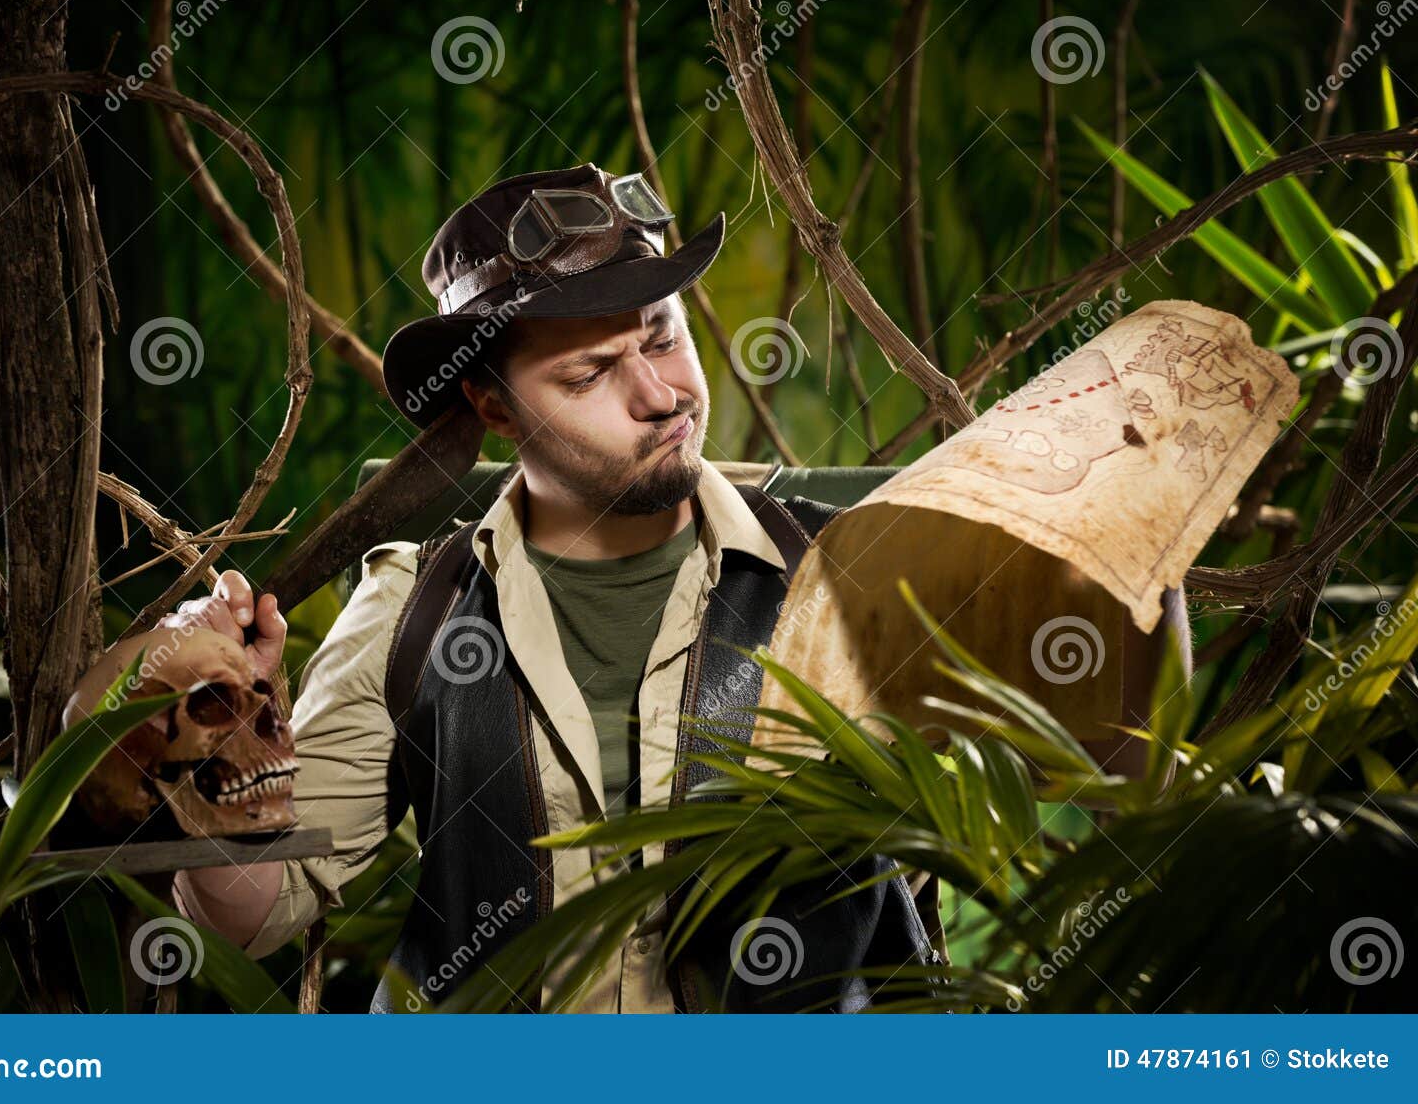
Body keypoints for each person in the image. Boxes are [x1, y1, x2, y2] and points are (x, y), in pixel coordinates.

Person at [160, 163, 1167, 1012]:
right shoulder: (409, 613)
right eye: (592, 373)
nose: (662, 395)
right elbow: (265, 911)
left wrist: (1118, 551)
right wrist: (226, 749)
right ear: (492, 407)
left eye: (660, 335)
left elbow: (1108, 758)